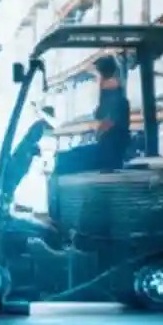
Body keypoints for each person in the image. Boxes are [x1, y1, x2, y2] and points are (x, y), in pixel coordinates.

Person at [46, 55, 130, 215]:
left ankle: (59, 214)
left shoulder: (111, 90)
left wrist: (99, 128)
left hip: (108, 152)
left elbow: (104, 117)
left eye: (98, 75)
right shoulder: (115, 92)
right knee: (68, 157)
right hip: (110, 149)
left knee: (64, 160)